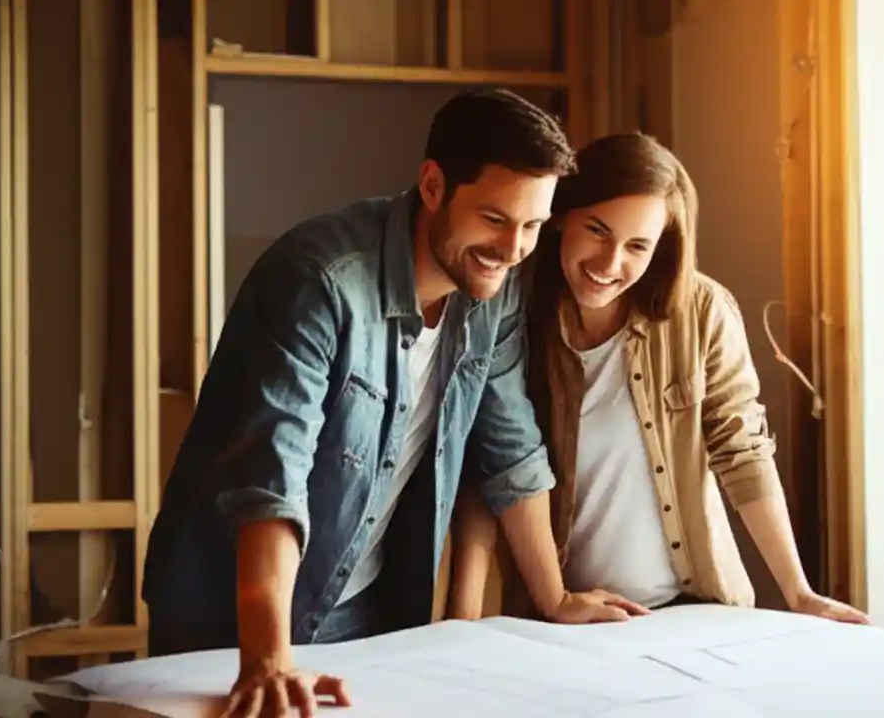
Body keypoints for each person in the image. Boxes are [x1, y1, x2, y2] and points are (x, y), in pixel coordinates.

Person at [142, 90, 645, 718]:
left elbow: (510, 448)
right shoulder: (318, 279)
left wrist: (555, 596)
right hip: (230, 621)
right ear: (433, 185)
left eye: (534, 226)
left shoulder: (496, 289)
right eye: (494, 218)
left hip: (367, 618)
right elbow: (272, 476)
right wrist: (267, 657)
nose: (514, 248)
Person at [448, 133, 869, 624]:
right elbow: (490, 473)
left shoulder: (702, 310)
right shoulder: (509, 318)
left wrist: (800, 593)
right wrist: (463, 621)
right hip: (564, 621)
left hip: (693, 611)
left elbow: (743, 452)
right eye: (598, 231)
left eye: (637, 246)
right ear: (562, 216)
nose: (610, 264)